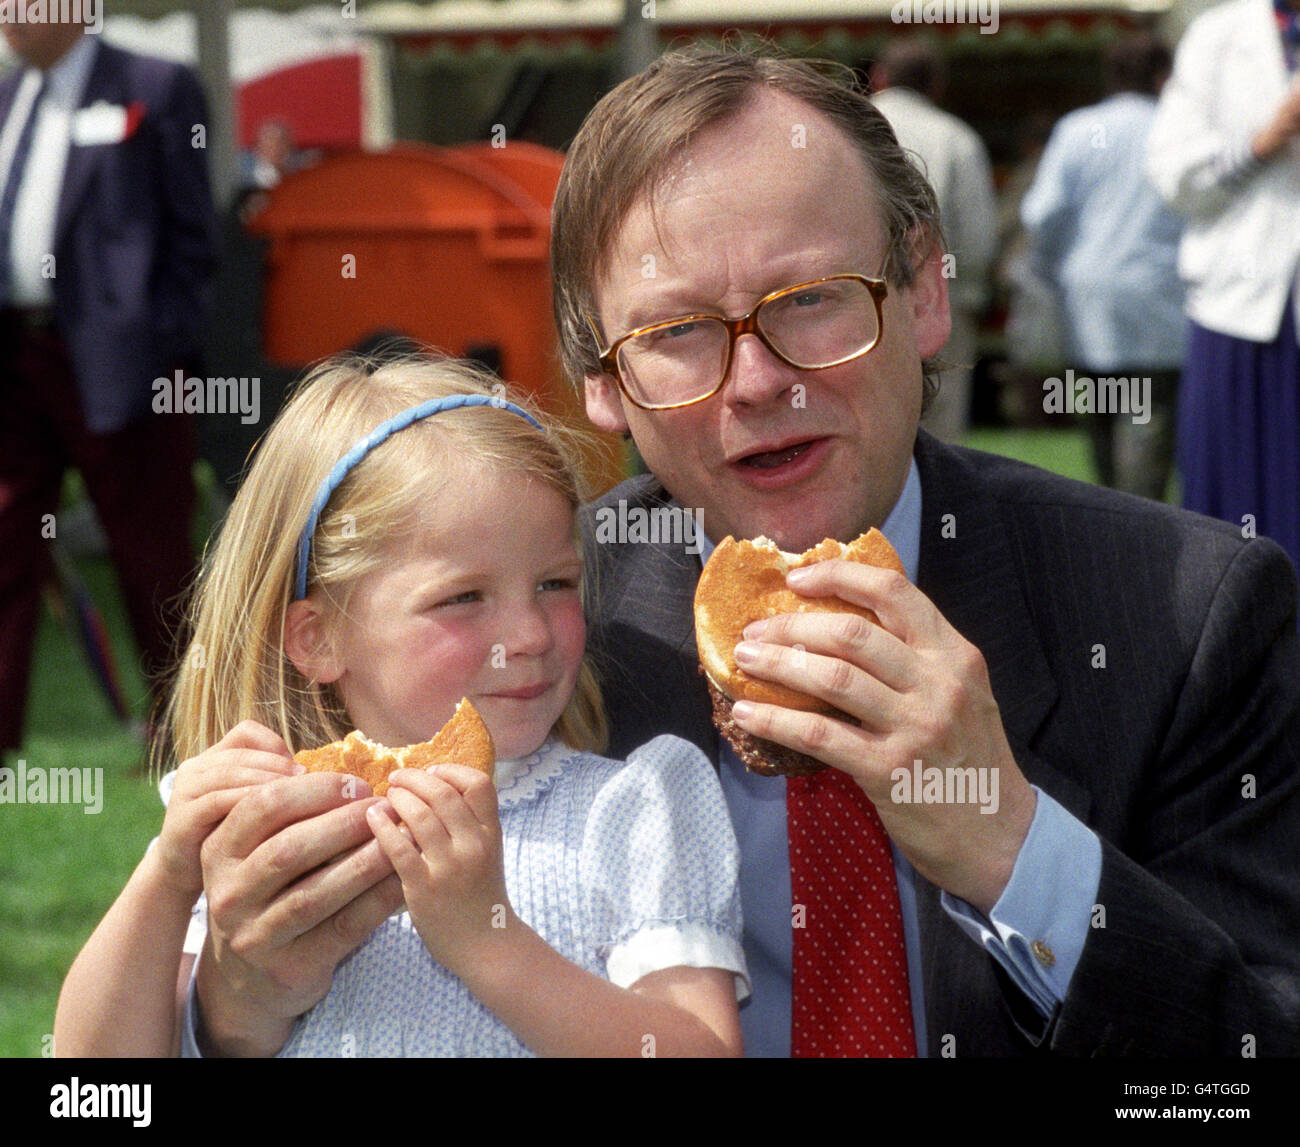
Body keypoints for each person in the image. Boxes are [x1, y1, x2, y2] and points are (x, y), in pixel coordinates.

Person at [549, 45, 1300, 1056]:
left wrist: (1015, 849)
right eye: (678, 329)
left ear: (923, 292)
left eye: (810, 298)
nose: (757, 381)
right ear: (602, 380)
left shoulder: (1188, 617)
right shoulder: (534, 640)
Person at [53, 354, 747, 1057]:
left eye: (556, 583)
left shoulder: (636, 807)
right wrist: (169, 875)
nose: (531, 635)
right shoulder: (266, 825)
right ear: (319, 638)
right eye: (464, 597)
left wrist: (488, 939)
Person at [0, 7, 216, 751]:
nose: (8, 14)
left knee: (152, 554)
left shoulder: (154, 86)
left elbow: (195, 238)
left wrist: (163, 354)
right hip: (14, 362)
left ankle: (189, 733)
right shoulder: (5, 98)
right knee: (5, 545)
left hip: (125, 368)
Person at [1147, 0, 1300, 572]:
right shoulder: (1218, 36)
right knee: (1232, 499)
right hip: (1240, 306)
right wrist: (1263, 141)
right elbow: (1175, 177)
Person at [1021, 32, 1185, 501]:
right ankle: (1142, 528)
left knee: (1101, 418)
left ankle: (1112, 517)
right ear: (1161, 76)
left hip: (1087, 301)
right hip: (1162, 300)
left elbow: (1042, 214)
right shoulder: (1176, 126)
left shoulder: (1077, 128)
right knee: (1148, 422)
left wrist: (1050, 273)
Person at [870, 40, 997, 443]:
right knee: (941, 423)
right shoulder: (956, 137)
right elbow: (978, 234)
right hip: (940, 293)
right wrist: (970, 292)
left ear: (879, 77)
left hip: (857, 297)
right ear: (936, 85)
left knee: (872, 415)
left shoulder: (838, 128)